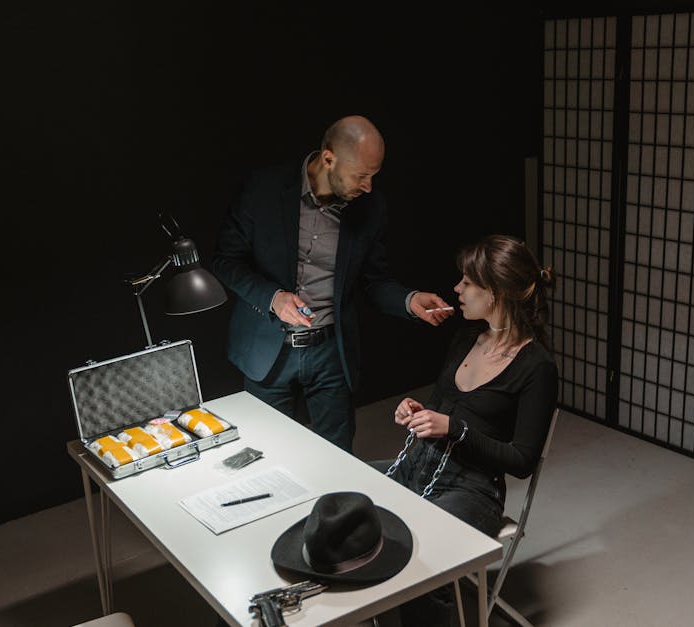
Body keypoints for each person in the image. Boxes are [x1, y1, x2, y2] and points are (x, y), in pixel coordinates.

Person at [211, 115, 453, 452]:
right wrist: (274, 298)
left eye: (373, 176)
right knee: (265, 456)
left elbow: (374, 280)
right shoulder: (263, 189)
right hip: (267, 348)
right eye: (361, 176)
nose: (368, 186)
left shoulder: (370, 206)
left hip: (330, 351)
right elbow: (225, 261)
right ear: (329, 158)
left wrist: (408, 300)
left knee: (337, 457)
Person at [371, 234, 558, 625]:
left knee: (424, 565)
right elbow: (445, 409)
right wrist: (417, 412)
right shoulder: (466, 336)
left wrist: (453, 429)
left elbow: (522, 460)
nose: (457, 288)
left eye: (467, 282)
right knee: (345, 493)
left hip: (471, 488)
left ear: (495, 292)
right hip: (419, 464)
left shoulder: (536, 366)